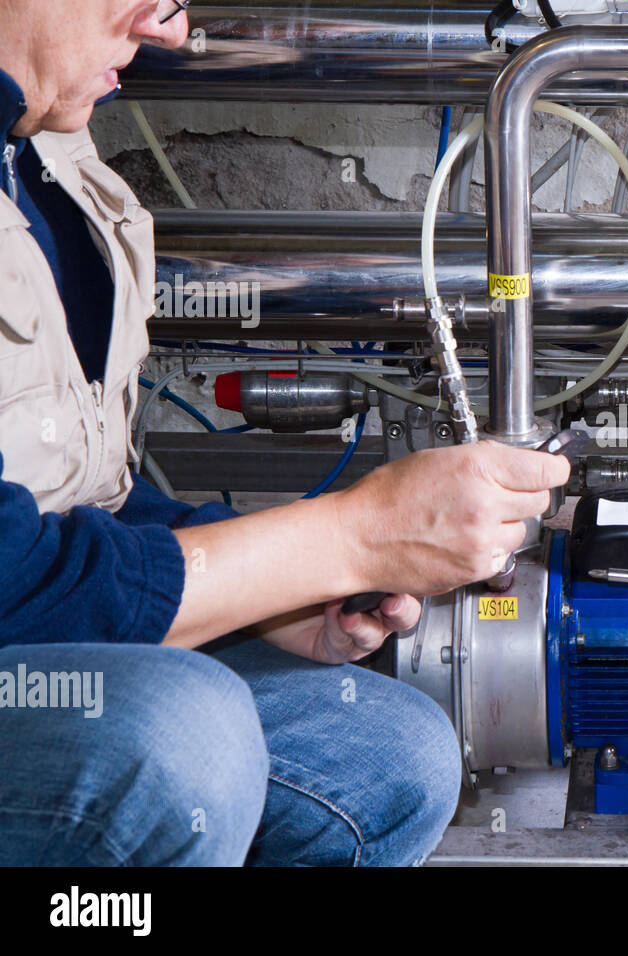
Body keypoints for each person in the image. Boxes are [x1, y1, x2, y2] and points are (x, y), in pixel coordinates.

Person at [0, 0, 569, 865]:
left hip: (43, 625)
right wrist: (347, 537)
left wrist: (280, 599)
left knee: (390, 756)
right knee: (186, 739)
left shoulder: (43, 159)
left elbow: (84, 503)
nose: (171, 30)